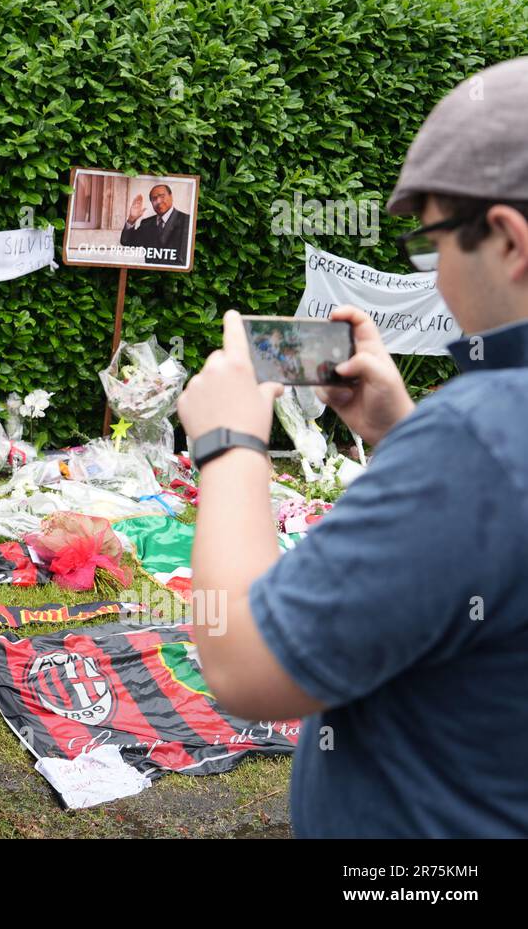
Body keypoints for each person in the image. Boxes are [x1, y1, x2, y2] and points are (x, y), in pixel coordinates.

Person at [177, 55, 528, 838]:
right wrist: (400, 432)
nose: (435, 272)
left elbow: (247, 665)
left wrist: (231, 446)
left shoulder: (479, 435)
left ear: (508, 239)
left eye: (433, 240)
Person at [120, 183, 191, 266]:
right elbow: (126, 242)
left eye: (162, 196)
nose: (158, 201)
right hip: (151, 274)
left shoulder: (187, 220)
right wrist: (131, 219)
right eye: (154, 199)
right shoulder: (146, 223)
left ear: (171, 196)